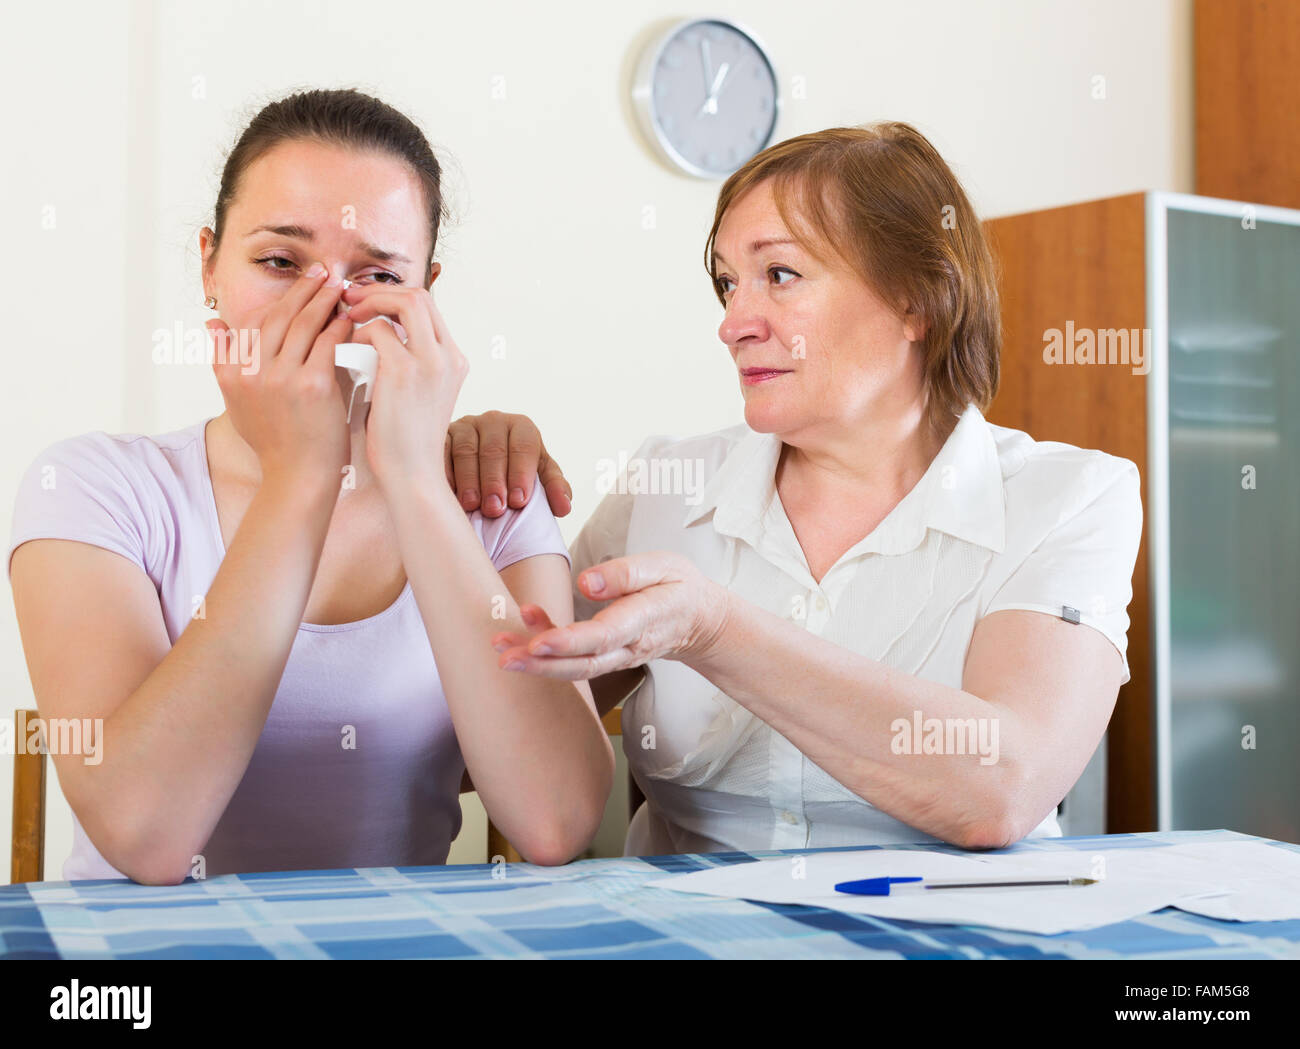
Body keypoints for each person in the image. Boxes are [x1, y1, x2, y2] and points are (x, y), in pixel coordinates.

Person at [447, 123, 1143, 855]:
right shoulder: (664, 486)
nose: (732, 324)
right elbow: (481, 741)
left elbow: (1003, 790)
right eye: (726, 282)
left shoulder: (1070, 498)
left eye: (779, 274)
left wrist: (715, 631)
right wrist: (443, 508)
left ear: (917, 299)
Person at [6, 88, 613, 884]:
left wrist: (415, 484)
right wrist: (301, 475)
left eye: (375, 276)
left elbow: (556, 819)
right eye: (280, 262)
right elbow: (147, 833)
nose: (322, 306)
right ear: (208, 266)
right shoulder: (94, 487)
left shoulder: (488, 490)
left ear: (423, 294)